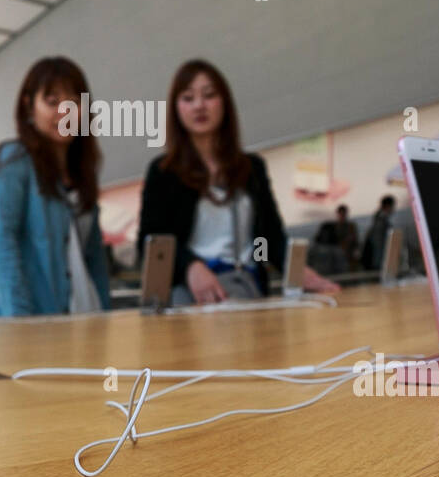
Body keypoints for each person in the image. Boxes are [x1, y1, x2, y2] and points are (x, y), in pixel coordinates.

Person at [136, 59, 339, 304]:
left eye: (209, 95)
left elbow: (268, 237)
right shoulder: (164, 172)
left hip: (248, 284)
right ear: (176, 109)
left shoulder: (251, 168)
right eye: (188, 98)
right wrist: (190, 268)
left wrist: (295, 271)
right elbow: (152, 240)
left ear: (225, 103)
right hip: (193, 293)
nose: (199, 105)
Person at [0, 56, 111, 317]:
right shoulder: (12, 162)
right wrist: (20, 323)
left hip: (86, 319)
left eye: (74, 102)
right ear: (29, 107)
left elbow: (94, 257)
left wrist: (106, 316)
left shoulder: (83, 173)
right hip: (33, 325)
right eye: (52, 102)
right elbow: (1, 245)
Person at [360, 196, 396, 271]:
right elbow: (378, 244)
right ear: (388, 206)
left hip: (376, 260)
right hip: (377, 261)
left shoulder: (379, 219)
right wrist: (380, 264)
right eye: (393, 206)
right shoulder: (380, 221)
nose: (393, 209)